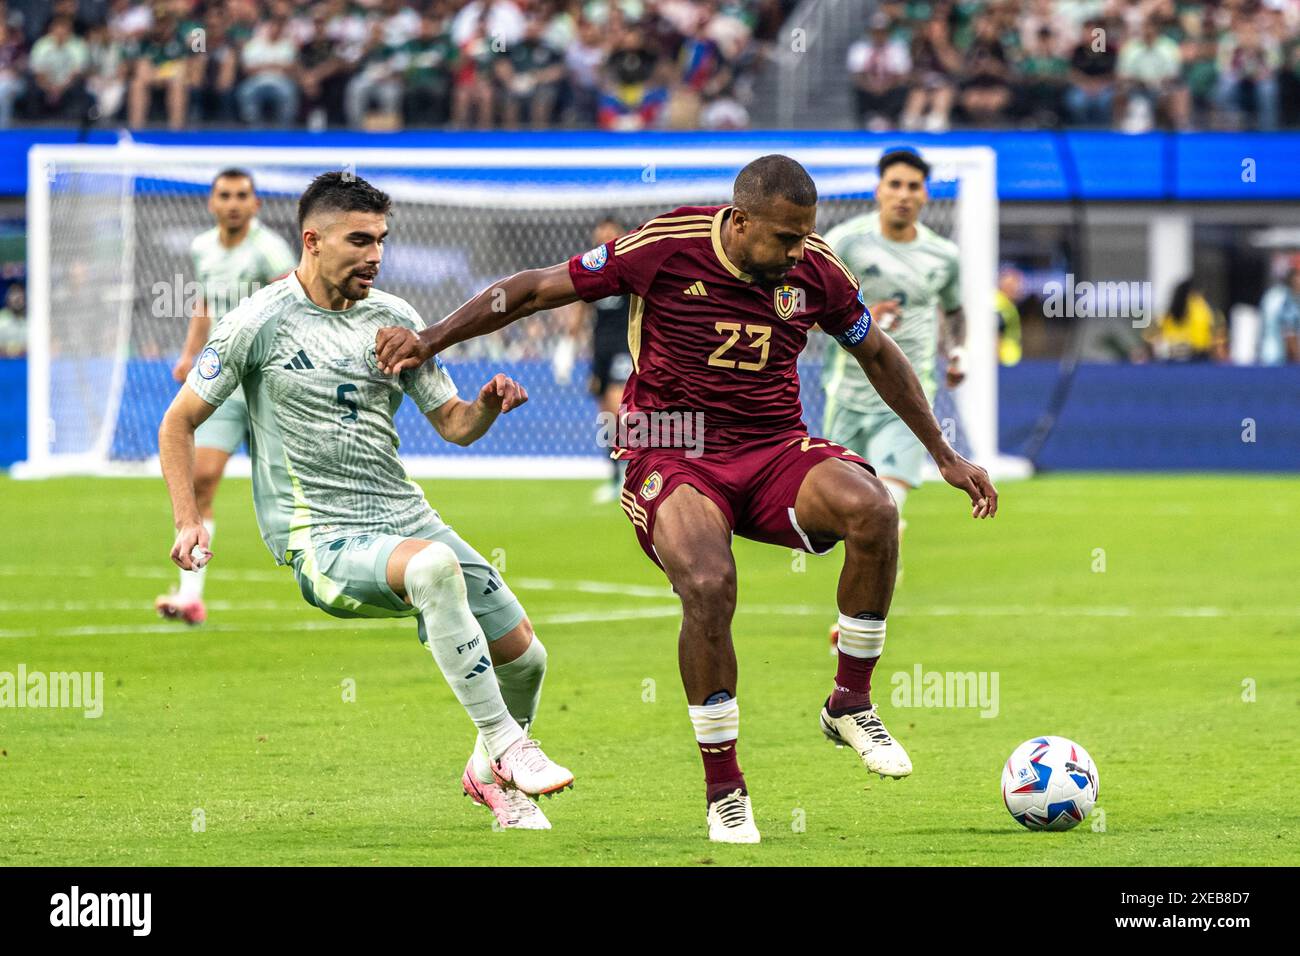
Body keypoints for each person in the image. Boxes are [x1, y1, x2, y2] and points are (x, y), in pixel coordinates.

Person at [374, 155, 998, 844]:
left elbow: (878, 353)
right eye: (784, 240)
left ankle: (850, 700)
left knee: (874, 509)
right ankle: (725, 789)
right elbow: (533, 291)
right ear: (740, 221)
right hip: (670, 452)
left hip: (772, 449)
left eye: (804, 238)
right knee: (707, 581)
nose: (796, 254)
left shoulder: (817, 271)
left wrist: (944, 453)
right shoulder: (664, 246)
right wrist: (430, 337)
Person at [159, 171, 573, 830]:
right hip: (321, 538)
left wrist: (487, 407)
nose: (375, 254)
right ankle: (507, 745)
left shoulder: (397, 319)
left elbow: (455, 427)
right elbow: (176, 422)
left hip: (404, 518)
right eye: (359, 240)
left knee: (526, 658)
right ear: (313, 241)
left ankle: (487, 775)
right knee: (434, 568)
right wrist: (187, 521)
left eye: (381, 239)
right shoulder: (259, 321)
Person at [155, 169, 297, 626]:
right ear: (212, 204)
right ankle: (191, 594)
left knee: (290, 489)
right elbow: (204, 302)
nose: (233, 203)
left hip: (269, 382)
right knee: (202, 478)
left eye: (242, 196)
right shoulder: (202, 247)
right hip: (222, 380)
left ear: (255, 205)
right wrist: (189, 353)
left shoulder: (270, 249)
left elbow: (291, 309)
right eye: (225, 196)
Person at [821, 149, 964, 593]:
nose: (903, 195)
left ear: (925, 195)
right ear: (878, 190)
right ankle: (870, 583)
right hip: (846, 394)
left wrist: (958, 352)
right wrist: (859, 315)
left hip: (906, 398)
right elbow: (805, 305)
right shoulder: (844, 242)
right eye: (895, 185)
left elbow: (955, 312)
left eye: (913, 187)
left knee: (887, 503)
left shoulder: (943, 256)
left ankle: (858, 615)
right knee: (842, 517)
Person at [584, 217, 633, 504]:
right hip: (600, 350)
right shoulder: (591, 272)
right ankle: (615, 476)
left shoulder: (630, 268)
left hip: (624, 347)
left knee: (618, 408)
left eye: (609, 234)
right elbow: (582, 306)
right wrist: (568, 343)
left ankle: (631, 472)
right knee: (605, 414)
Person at [1257, 264, 1300, 366]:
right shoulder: (1284, 299)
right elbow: (1289, 334)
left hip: (1268, 353)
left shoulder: (1272, 295)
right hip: (1278, 358)